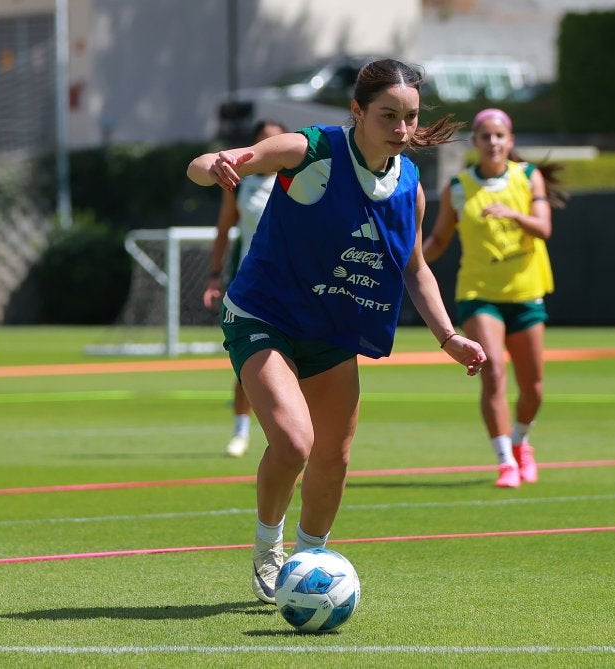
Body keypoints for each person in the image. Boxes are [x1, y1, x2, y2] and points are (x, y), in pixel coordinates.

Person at [187, 58, 487, 604]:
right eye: (387, 115)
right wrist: (217, 164)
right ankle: (268, 550)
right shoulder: (313, 149)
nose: (400, 129)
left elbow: (414, 268)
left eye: (409, 118)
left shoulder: (411, 185)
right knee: (296, 441)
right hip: (263, 314)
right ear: (357, 111)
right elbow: (208, 163)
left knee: (335, 455)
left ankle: (311, 561)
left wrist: (449, 336)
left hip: (332, 328)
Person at [423, 107, 564, 489]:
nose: (493, 142)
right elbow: (438, 241)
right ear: (476, 143)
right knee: (494, 373)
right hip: (478, 293)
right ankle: (505, 461)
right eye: (485, 136)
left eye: (500, 135)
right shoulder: (458, 187)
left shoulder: (528, 177)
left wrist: (512, 215)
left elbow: (543, 228)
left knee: (533, 388)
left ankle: (520, 443)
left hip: (525, 291)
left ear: (511, 141)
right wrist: (406, 260)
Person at [203, 119, 288, 458]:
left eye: (275, 139)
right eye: (262, 139)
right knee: (249, 363)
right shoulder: (241, 183)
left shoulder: (302, 179)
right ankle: (240, 431)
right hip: (251, 289)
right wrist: (213, 276)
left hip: (296, 287)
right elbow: (224, 229)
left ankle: (295, 433)